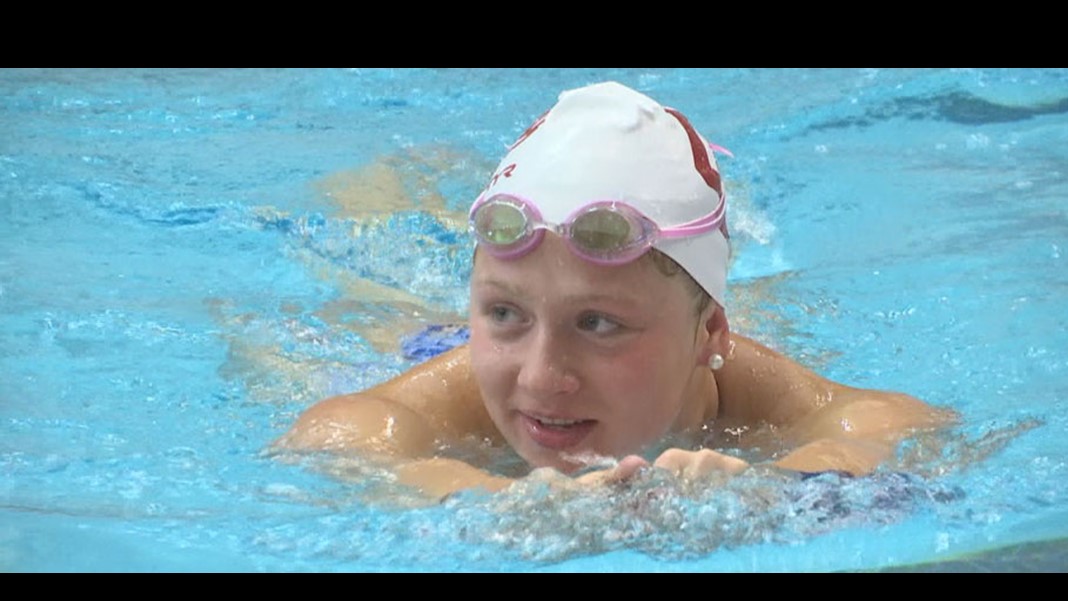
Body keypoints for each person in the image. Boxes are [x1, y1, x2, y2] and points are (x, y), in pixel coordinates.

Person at [275, 81, 955, 500]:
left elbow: (904, 430)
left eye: (598, 323)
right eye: (503, 312)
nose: (541, 378)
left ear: (711, 332)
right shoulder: (460, 400)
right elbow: (332, 437)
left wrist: (770, 492)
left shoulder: (767, 401)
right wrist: (494, 501)